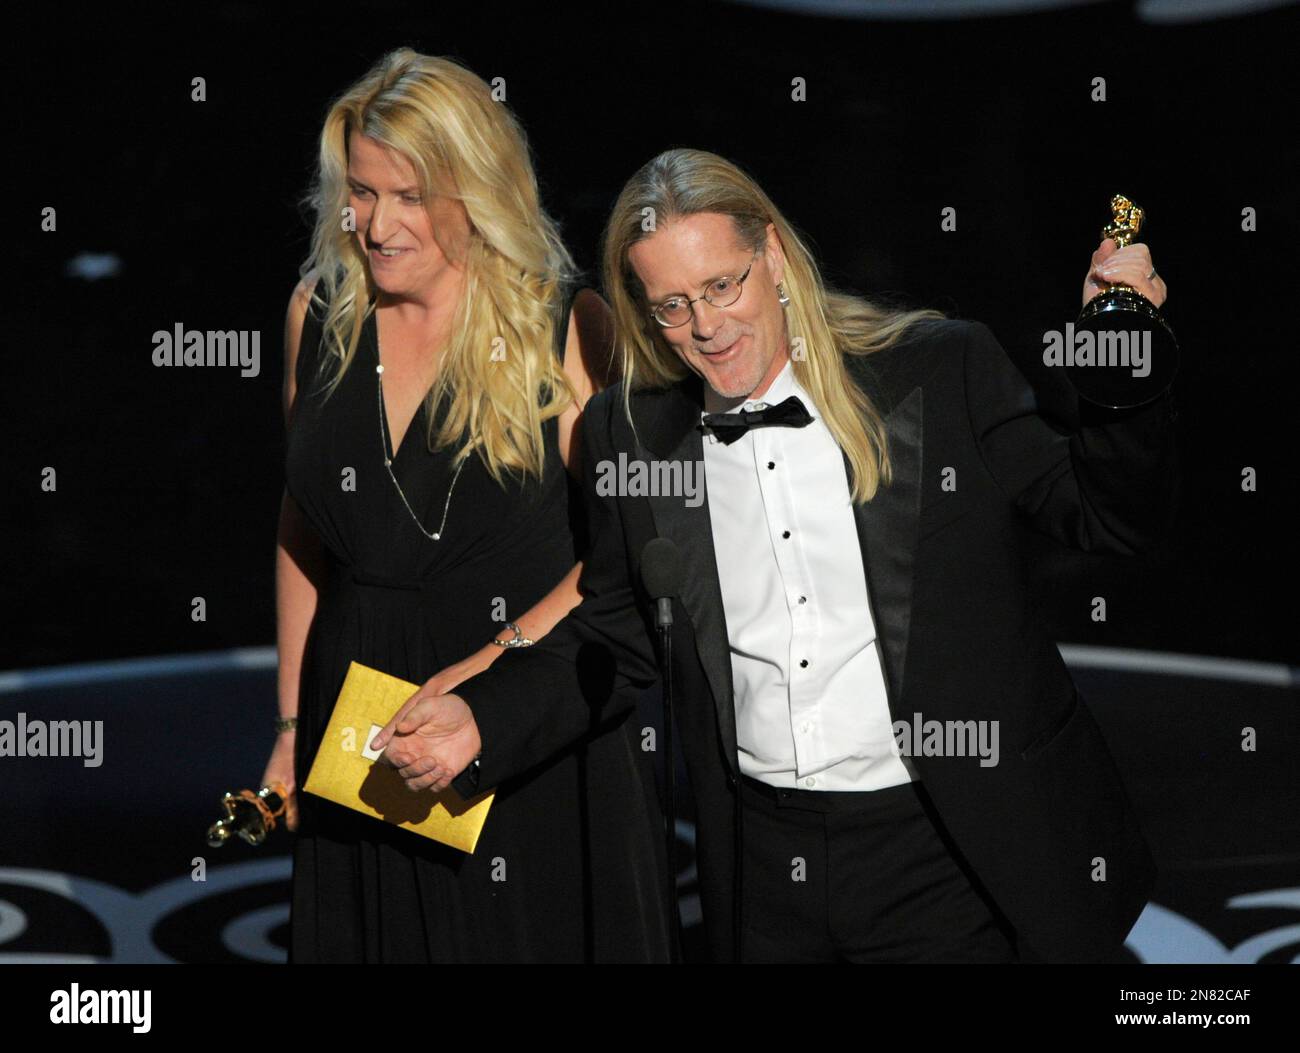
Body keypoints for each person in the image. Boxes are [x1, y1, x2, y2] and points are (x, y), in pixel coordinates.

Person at [372, 148, 1178, 963]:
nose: (708, 327)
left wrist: (1121, 367)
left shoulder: (938, 370)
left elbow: (1107, 518)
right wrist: (486, 717)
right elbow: (616, 632)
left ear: (776, 256)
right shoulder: (635, 431)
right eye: (673, 306)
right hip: (763, 870)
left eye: (724, 285)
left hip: (950, 850)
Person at [262, 49, 672, 963]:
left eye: (408, 195)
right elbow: (302, 532)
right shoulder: (318, 314)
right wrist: (292, 727)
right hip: (360, 722)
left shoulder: (563, 325)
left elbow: (622, 553)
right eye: (361, 194)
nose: (376, 223)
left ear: (474, 191)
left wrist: (490, 666)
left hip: (522, 719)